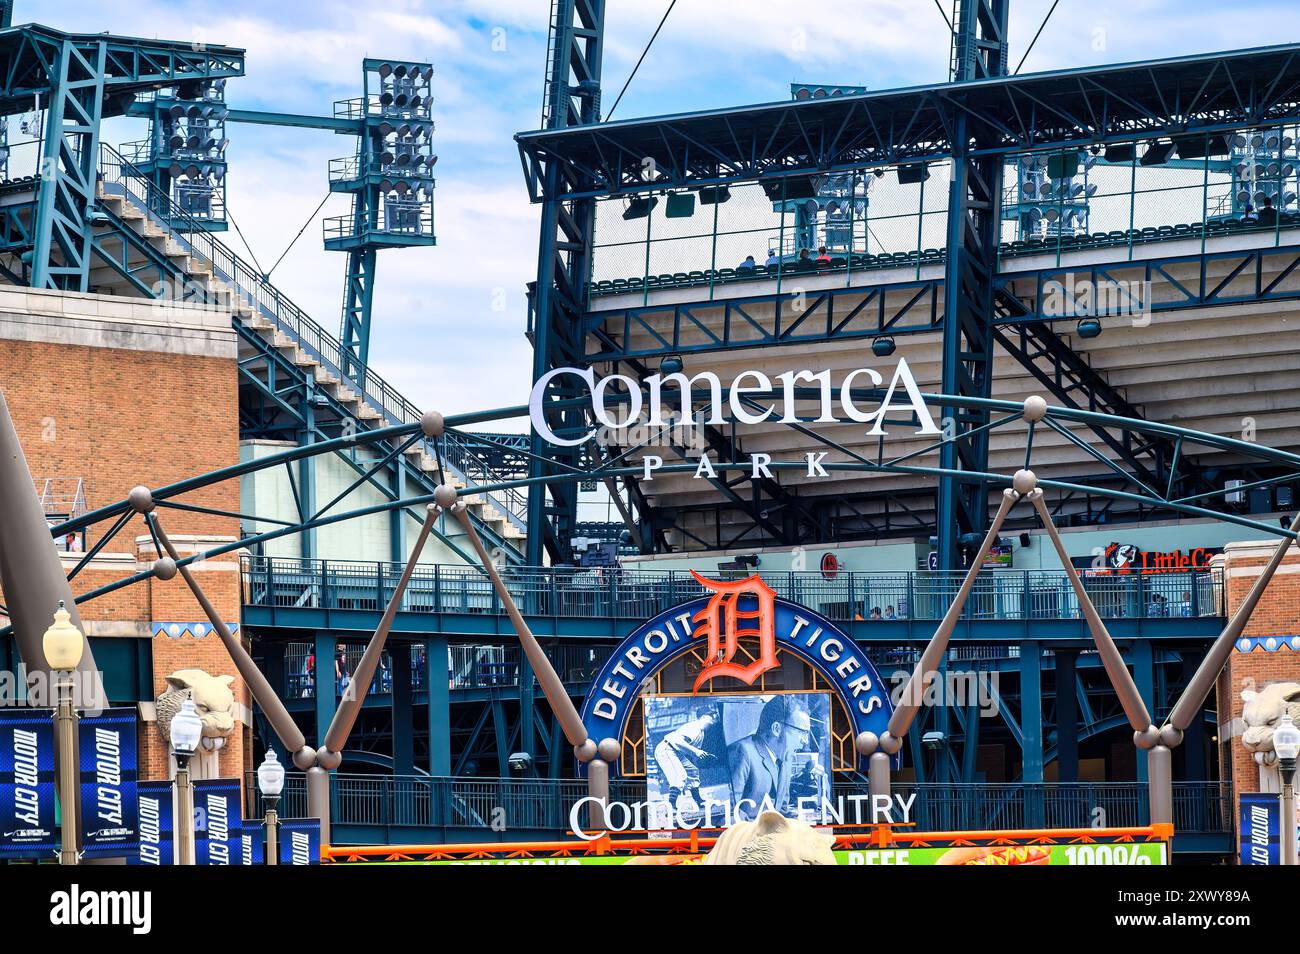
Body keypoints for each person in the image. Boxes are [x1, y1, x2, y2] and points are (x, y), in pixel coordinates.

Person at [728, 696, 802, 819]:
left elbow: (781, 810)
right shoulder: (742, 751)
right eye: (800, 732)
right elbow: (728, 812)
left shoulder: (786, 759)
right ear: (776, 729)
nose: (804, 741)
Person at [655, 707, 718, 813]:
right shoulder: (694, 727)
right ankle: (670, 806)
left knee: (693, 771)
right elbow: (677, 741)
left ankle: (699, 801)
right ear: (703, 717)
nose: (713, 718)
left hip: (675, 751)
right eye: (710, 715)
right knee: (680, 776)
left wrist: (700, 754)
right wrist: (696, 751)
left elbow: (690, 752)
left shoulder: (701, 733)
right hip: (666, 748)